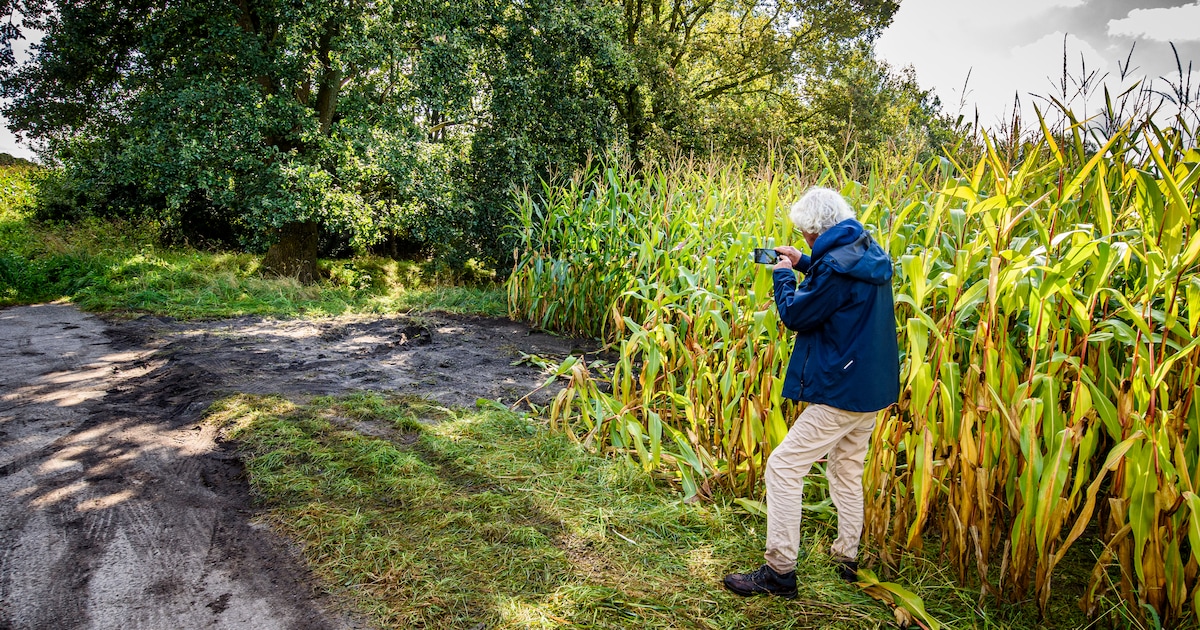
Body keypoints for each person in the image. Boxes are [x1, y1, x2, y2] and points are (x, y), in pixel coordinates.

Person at [723, 187, 900, 599]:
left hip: (841, 390)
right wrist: (805, 264)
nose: (803, 241)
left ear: (815, 231)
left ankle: (779, 571)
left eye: (804, 236)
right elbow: (837, 288)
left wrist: (784, 275)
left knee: (784, 468)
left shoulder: (834, 267)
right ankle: (846, 558)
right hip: (871, 388)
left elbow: (798, 314)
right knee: (847, 470)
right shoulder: (865, 250)